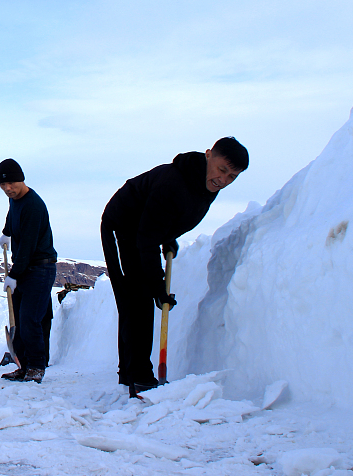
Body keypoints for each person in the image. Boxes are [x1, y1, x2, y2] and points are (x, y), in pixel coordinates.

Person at [101, 137, 249, 397]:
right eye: (222, 169)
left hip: (142, 232)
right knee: (135, 301)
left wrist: (168, 239)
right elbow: (148, 234)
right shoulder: (175, 184)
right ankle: (141, 377)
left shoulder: (204, 185)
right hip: (121, 226)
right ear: (208, 155)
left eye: (232, 177)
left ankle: (130, 373)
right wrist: (158, 285)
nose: (224, 180)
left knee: (138, 301)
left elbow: (163, 218)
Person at [0, 159, 57, 383]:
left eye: (11, 183)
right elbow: (12, 216)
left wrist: (14, 274)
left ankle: (36, 367)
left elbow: (29, 246)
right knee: (19, 322)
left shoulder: (33, 205)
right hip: (25, 267)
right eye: (3, 186)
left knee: (30, 319)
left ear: (21, 179)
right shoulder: (15, 201)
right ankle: (23, 366)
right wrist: (6, 232)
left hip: (40, 268)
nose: (7, 189)